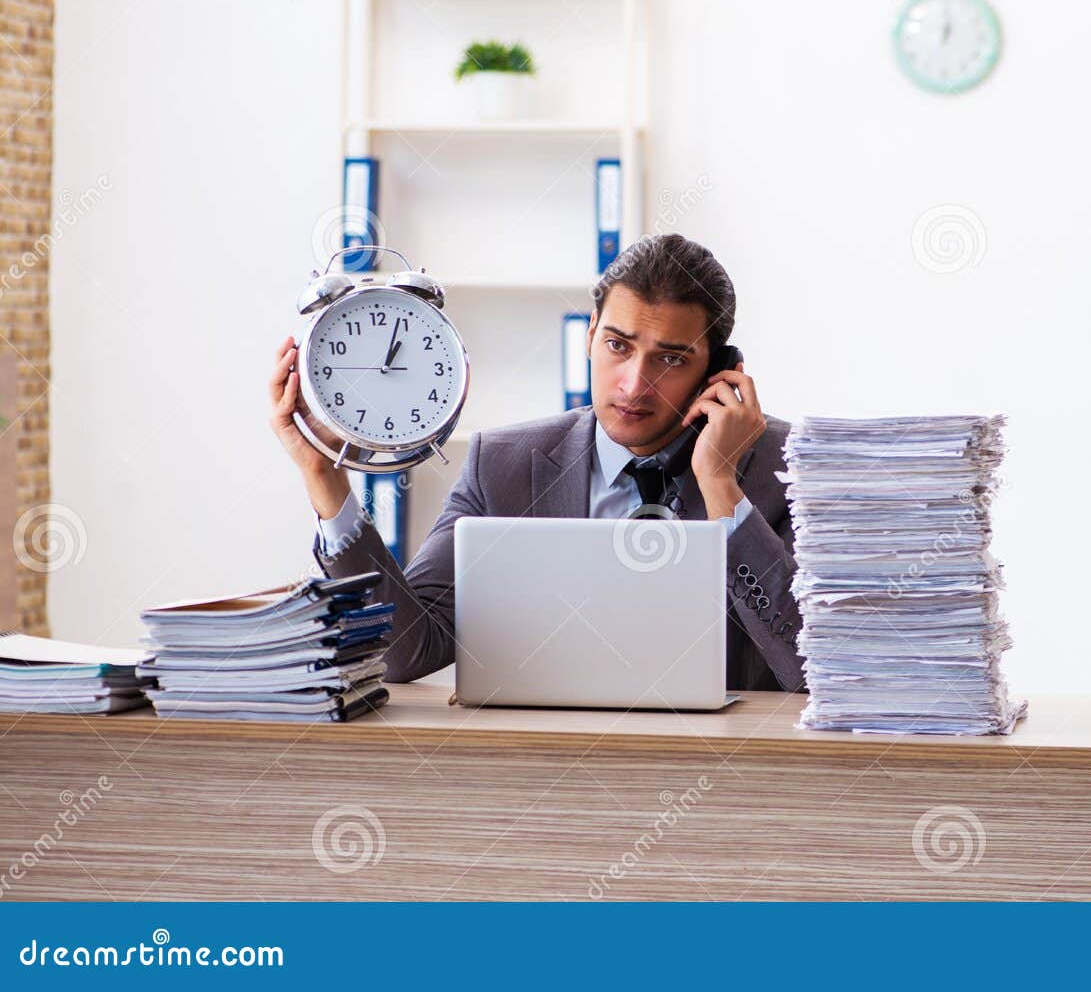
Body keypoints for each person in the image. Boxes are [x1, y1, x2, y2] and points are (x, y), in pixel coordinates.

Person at [267, 234, 803, 692]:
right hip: (546, 778)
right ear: (590, 334)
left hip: (727, 788)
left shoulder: (787, 470)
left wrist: (720, 485)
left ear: (721, 370)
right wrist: (325, 478)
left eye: (670, 358)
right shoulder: (504, 467)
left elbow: (809, 670)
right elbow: (408, 649)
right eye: (618, 345)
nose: (634, 384)